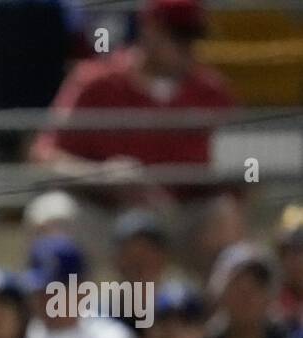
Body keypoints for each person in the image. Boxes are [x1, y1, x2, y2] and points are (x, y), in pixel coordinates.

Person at [30, 0, 235, 205]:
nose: (187, 48)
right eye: (179, 36)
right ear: (150, 29)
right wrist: (100, 176)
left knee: (222, 208)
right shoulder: (96, 82)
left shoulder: (211, 91)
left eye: (193, 38)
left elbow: (243, 166)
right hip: (105, 210)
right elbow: (43, 156)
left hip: (182, 214)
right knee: (52, 209)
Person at [199, 242, 286, 338]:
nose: (246, 295)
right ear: (218, 292)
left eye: (257, 286)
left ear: (271, 296)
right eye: (237, 285)